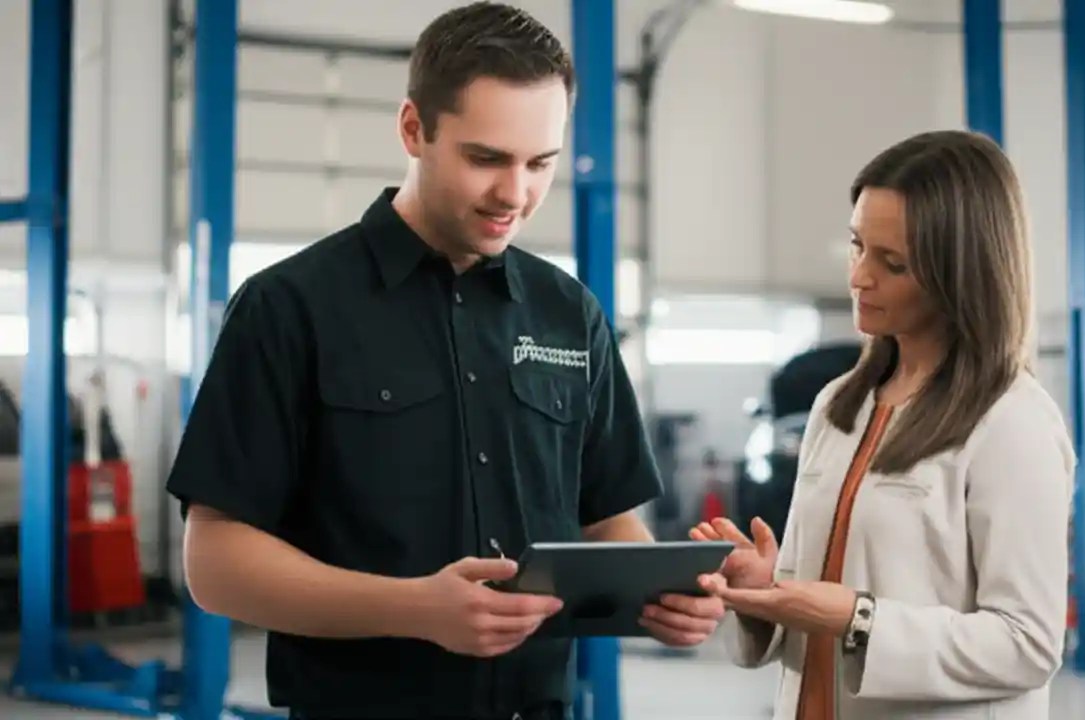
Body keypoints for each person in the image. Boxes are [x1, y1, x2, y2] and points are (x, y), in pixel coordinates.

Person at [166, 4, 724, 719]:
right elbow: (215, 563)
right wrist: (412, 609)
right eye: (486, 158)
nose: (515, 194)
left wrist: (663, 595)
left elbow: (608, 520)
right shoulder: (290, 307)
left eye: (540, 164)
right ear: (413, 130)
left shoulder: (568, 314)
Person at [692, 130, 1076, 720]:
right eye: (856, 247)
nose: (858, 278)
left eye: (891, 263)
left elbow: (1027, 643)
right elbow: (817, 600)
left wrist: (858, 618)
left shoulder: (1011, 422)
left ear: (959, 274)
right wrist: (766, 589)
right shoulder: (840, 406)